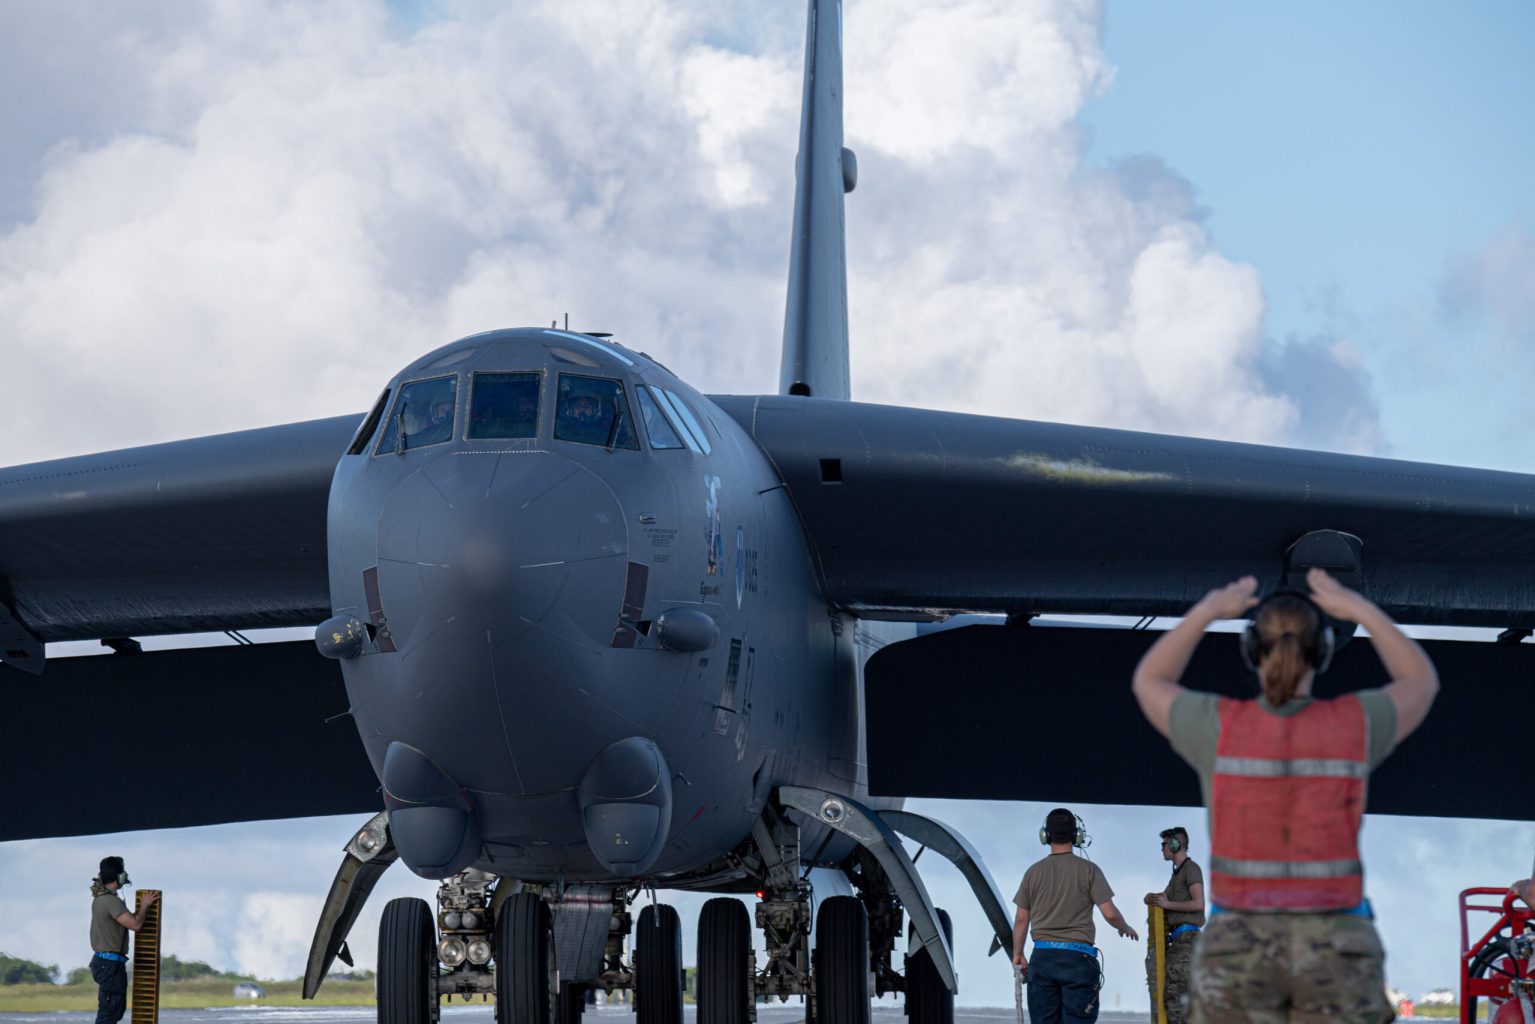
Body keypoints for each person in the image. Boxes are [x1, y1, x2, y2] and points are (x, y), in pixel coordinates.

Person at [1131, 568, 1439, 1024]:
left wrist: (1210, 609)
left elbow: (1149, 680)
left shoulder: (1219, 726)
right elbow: (1421, 680)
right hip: (1337, 944)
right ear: (1324, 650)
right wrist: (1357, 607)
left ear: (1251, 651)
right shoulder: (1354, 724)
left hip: (1239, 948)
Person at [1012, 808, 1140, 1024]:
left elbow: (1021, 919)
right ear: (1076, 835)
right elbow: (1109, 913)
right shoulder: (1090, 870)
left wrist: (1018, 953)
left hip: (1042, 960)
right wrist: (1124, 926)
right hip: (1079, 961)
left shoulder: (1032, 873)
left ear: (1046, 836)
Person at [1144, 826, 1205, 1024]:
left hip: (1187, 942)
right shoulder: (1177, 874)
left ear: (1174, 845)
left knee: (1177, 1001)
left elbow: (1198, 903)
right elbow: (1164, 896)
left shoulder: (1191, 869)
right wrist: (1151, 898)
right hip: (1180, 942)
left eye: (1164, 844)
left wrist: (1168, 904)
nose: (1161, 849)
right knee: (1174, 999)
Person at [89, 856, 158, 1024]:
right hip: (109, 965)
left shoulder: (101, 899)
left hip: (106, 964)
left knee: (114, 1011)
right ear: (119, 876)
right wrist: (145, 904)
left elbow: (128, 920)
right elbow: (136, 924)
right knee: (109, 1013)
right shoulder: (112, 902)